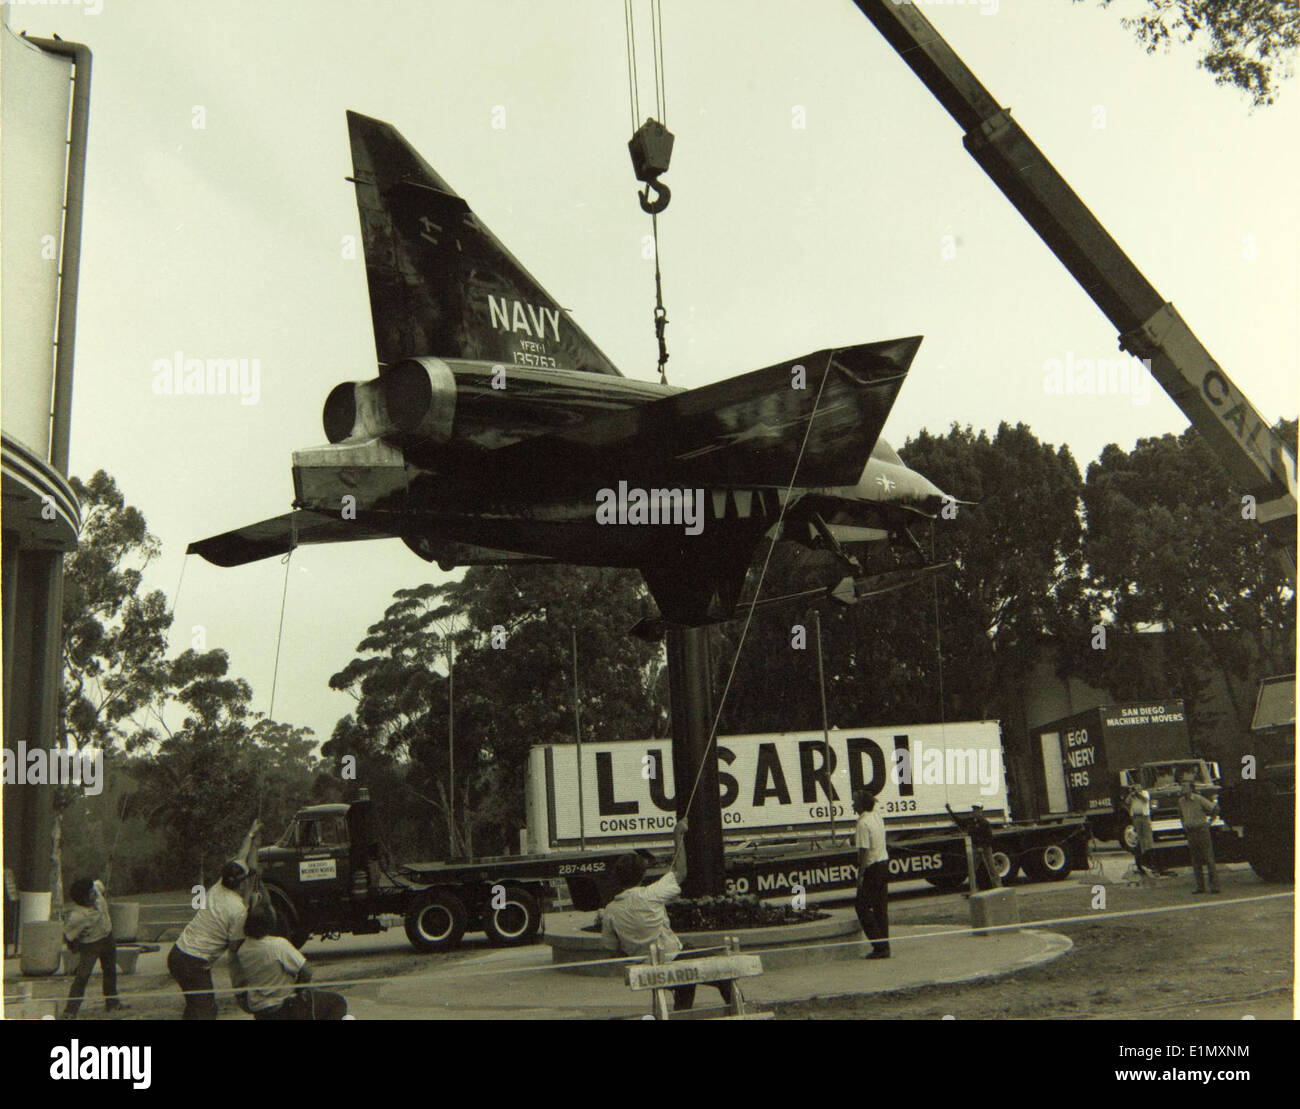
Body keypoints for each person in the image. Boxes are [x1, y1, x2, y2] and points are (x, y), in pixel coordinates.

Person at [600, 817, 733, 1012]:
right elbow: (680, 872)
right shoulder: (651, 894)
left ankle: (681, 1014)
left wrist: (639, 954)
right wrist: (677, 835)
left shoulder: (610, 911)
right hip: (675, 960)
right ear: (641, 875)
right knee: (725, 973)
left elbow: (613, 951)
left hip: (647, 969)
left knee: (685, 981)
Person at [168, 820, 261, 1019]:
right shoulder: (237, 911)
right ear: (241, 882)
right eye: (247, 878)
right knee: (206, 1012)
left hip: (177, 954)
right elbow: (234, 948)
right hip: (193, 962)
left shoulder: (219, 887)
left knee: (195, 1008)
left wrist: (251, 834)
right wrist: (252, 906)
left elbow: (240, 856)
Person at [235, 904, 347, 1020]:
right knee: (337, 1001)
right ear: (270, 923)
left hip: (260, 1008)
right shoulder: (277, 945)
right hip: (285, 1005)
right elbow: (306, 971)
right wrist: (299, 988)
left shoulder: (243, 950)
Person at [61, 877, 128, 1019]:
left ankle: (112, 1003)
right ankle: (70, 1011)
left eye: (93, 890)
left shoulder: (96, 889)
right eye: (90, 893)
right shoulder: (77, 916)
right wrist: (74, 947)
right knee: (83, 976)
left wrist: (106, 887)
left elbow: (101, 884)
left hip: (107, 936)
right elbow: (68, 936)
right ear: (83, 899)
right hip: (90, 944)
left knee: (110, 970)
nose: (95, 894)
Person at [853, 790, 891, 959]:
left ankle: (879, 945)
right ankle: (885, 945)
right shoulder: (876, 816)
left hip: (872, 869)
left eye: (855, 802)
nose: (852, 805)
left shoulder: (862, 824)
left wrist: (860, 875)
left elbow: (864, 852)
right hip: (883, 864)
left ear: (861, 805)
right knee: (880, 908)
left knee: (861, 907)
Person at [1176, 775, 1220, 894]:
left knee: (1208, 858)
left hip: (1201, 830)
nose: (1183, 789)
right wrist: (1183, 824)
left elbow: (1214, 809)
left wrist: (1209, 822)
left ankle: (1214, 885)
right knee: (1195, 861)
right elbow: (1180, 814)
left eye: (1185, 787)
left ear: (1191, 788)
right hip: (1191, 831)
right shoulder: (1181, 802)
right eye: (1182, 786)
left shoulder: (1198, 799)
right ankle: (1200, 886)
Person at [945, 802, 1002, 889]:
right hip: (975, 848)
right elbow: (959, 821)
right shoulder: (970, 821)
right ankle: (975, 888)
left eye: (977, 809)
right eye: (974, 809)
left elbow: (990, 838)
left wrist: (982, 847)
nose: (975, 811)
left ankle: (998, 886)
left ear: (981, 811)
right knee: (973, 869)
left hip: (985, 849)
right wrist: (950, 810)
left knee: (991, 867)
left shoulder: (985, 823)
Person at [1124, 785, 1156, 876]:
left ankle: (1150, 858)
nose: (1137, 790)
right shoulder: (1133, 796)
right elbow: (1127, 802)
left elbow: (1145, 800)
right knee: (1139, 838)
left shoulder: (1145, 793)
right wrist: (1131, 794)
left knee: (1147, 838)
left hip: (1144, 817)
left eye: (1138, 788)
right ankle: (1142, 858)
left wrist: (1138, 794)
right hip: (1136, 817)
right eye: (1135, 788)